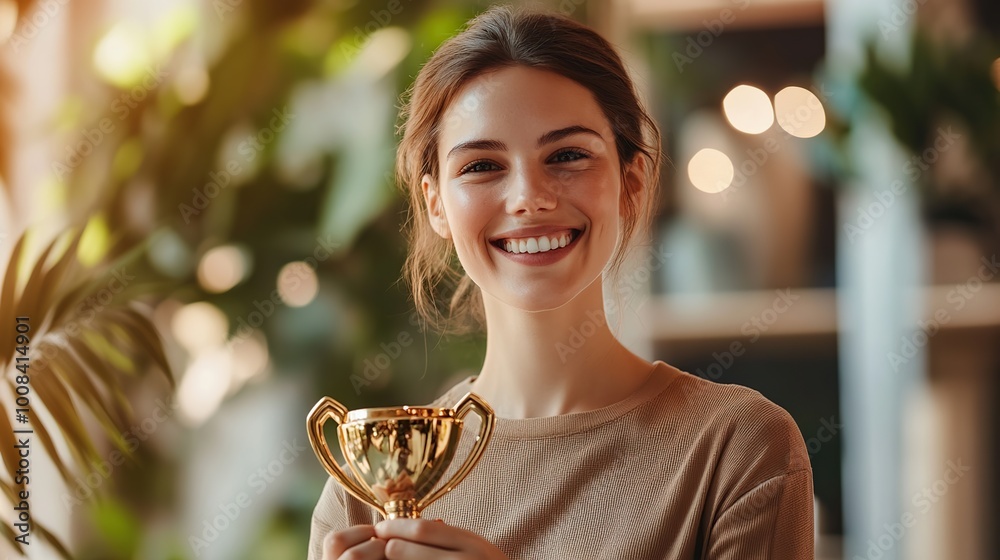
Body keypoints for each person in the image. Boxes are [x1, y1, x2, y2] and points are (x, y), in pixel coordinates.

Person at [309, 5, 814, 559]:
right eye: (481, 165)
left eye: (568, 155)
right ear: (435, 205)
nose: (530, 196)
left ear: (631, 184)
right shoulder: (364, 496)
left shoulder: (738, 447)